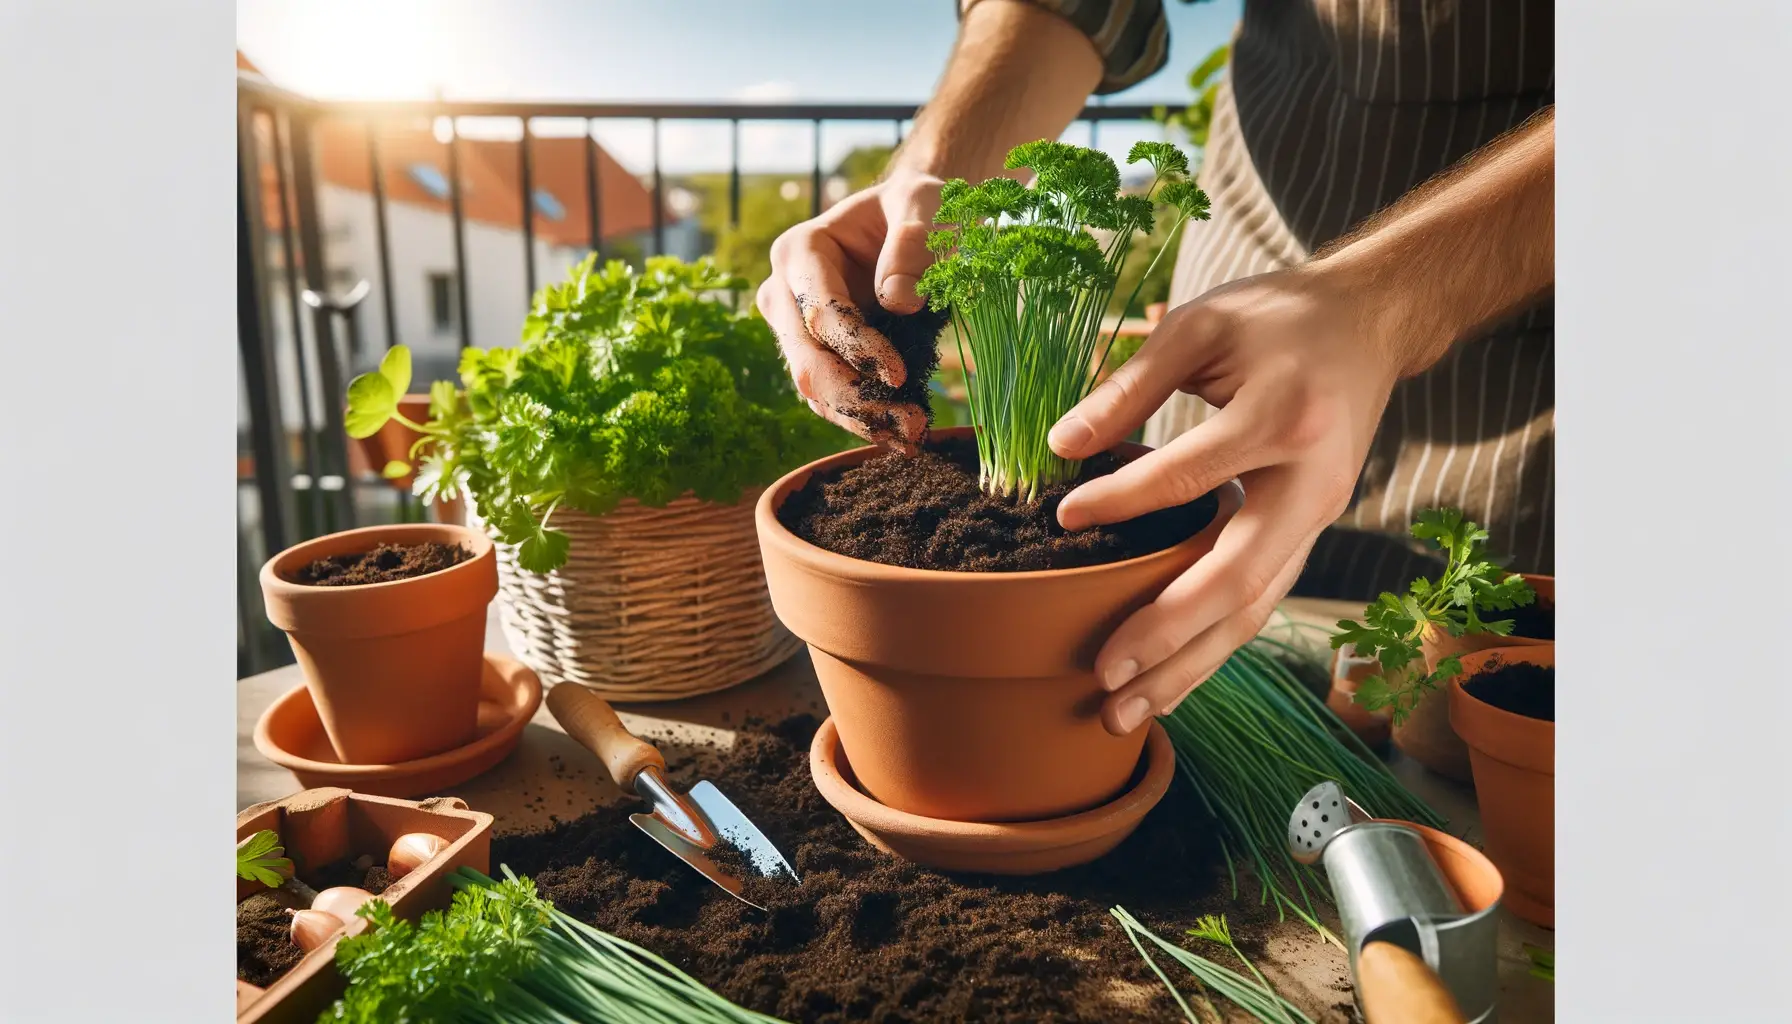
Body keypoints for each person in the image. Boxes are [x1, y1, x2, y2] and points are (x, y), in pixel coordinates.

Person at [758, 0, 1554, 737]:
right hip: (1233, 326)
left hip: (1520, 364)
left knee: (1460, 729)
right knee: (1181, 646)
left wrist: (1390, 302)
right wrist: (933, 179)